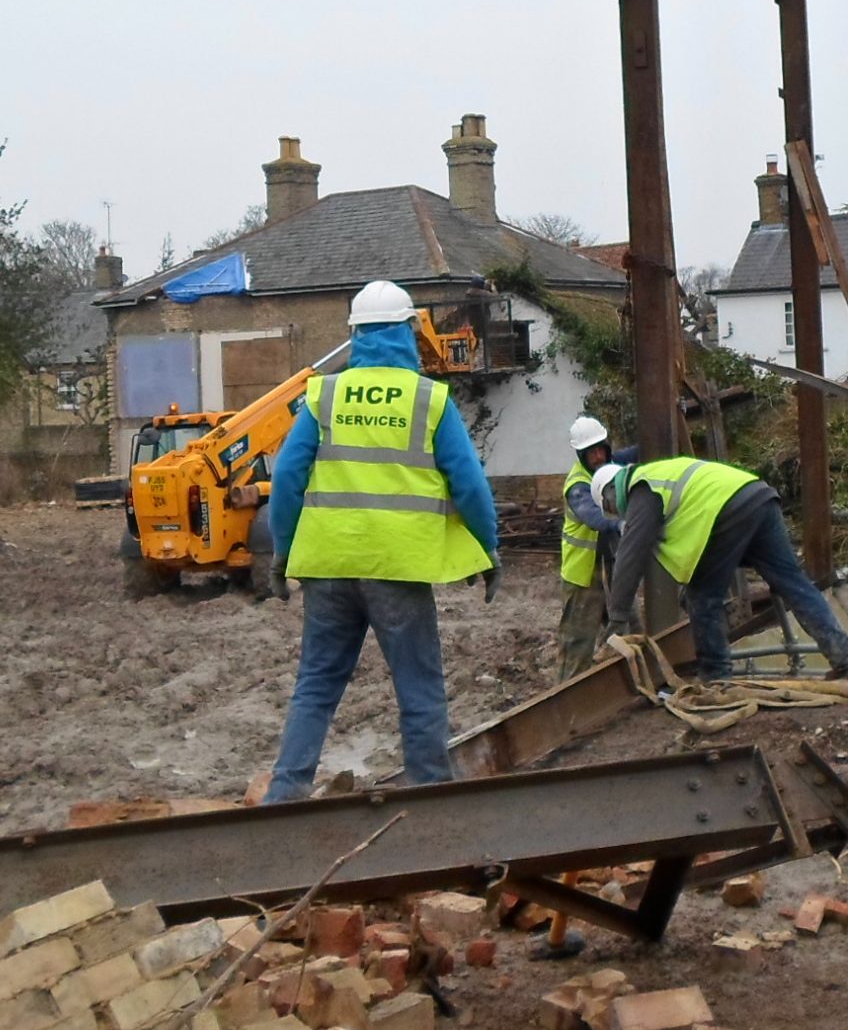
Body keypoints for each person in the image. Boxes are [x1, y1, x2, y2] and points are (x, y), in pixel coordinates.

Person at [258, 279, 502, 801]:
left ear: (355, 335)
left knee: (316, 686)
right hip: (398, 568)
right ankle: (430, 797)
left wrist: (283, 551)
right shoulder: (429, 399)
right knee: (418, 688)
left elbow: (287, 479)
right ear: (410, 330)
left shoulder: (323, 394)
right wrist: (489, 548)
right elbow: (470, 484)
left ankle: (283, 796)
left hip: (328, 565)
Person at [605, 456, 848, 681]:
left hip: (728, 511)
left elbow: (630, 556)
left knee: (702, 596)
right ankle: (845, 659)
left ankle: (716, 675)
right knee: (793, 583)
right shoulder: (660, 473)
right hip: (759, 498)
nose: (618, 513)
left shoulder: (641, 488)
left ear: (610, 492)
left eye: (610, 507)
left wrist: (617, 617)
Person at [556, 416, 622, 679]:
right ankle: (566, 695)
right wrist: (623, 525)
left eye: (601, 449)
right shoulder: (578, 485)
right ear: (580, 454)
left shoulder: (607, 467)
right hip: (583, 575)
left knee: (627, 627)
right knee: (577, 641)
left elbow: (634, 455)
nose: (598, 457)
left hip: (609, 571)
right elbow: (594, 517)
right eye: (591, 452)